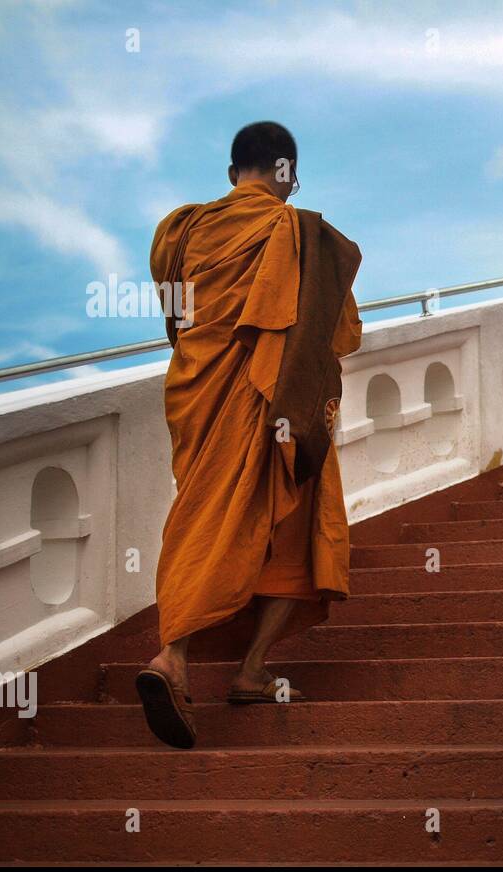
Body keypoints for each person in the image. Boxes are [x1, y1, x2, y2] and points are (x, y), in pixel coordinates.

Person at [138, 121, 362, 749]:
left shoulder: (182, 231)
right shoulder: (299, 234)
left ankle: (180, 654)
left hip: (201, 400)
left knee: (206, 515)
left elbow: (180, 318)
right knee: (302, 521)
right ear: (286, 173)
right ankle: (244, 667)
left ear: (233, 170)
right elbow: (339, 334)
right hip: (277, 407)